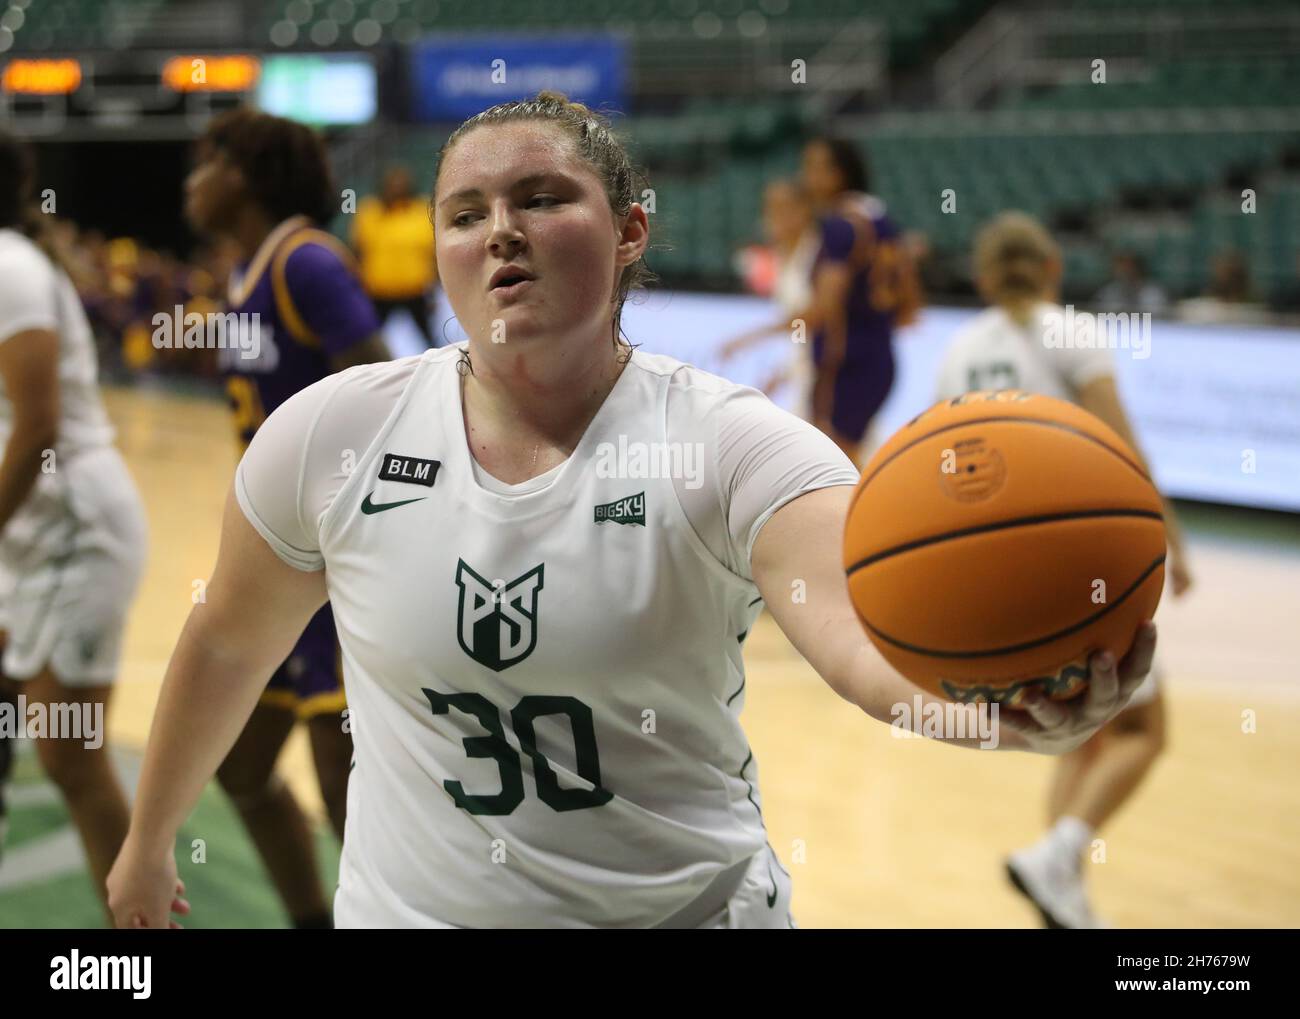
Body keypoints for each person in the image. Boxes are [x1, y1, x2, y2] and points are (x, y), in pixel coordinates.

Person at [109, 92, 1158, 930]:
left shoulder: (731, 442)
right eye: (465, 214)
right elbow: (224, 640)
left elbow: (856, 644)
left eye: (540, 199)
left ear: (629, 232)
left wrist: (985, 710)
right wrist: (149, 837)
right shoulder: (334, 432)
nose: (500, 233)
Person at [936, 211, 1193, 929]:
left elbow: (939, 467)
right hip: (1081, 564)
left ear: (985, 277)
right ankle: (1060, 856)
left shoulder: (960, 348)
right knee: (1143, 730)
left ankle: (1060, 887)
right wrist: (1170, 539)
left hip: (994, 571)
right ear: (1052, 268)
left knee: (1076, 731)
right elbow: (1120, 444)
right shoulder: (1071, 331)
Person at [182, 107, 389, 928]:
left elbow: (380, 396)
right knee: (236, 766)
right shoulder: (242, 272)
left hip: (335, 567)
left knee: (348, 793)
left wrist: (353, 543)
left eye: (207, 161)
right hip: (276, 566)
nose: (191, 181)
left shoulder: (307, 264)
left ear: (247, 174)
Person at [0, 131, 148, 920]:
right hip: (24, 537)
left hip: (73, 532)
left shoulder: (11, 266)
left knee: (72, 760)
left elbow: (37, 427)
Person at [799, 136, 921, 468]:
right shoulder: (880, 217)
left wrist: (757, 334)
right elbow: (911, 307)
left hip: (844, 364)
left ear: (840, 174)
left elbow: (825, 306)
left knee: (827, 470)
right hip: (879, 356)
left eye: (814, 167)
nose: (805, 175)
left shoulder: (840, 225)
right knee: (849, 463)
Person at [719, 179, 820, 416]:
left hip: (835, 370)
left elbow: (811, 318)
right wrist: (783, 374)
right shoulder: (784, 257)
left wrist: (749, 338)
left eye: (784, 208)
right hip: (810, 369)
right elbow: (803, 336)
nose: (774, 216)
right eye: (770, 208)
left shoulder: (819, 255)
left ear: (805, 210)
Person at [352, 164, 440, 348]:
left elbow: (433, 254)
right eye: (393, 183)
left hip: (415, 291)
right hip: (379, 293)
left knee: (430, 342)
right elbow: (358, 252)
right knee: (368, 343)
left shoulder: (421, 210)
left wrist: (434, 292)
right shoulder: (369, 211)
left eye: (401, 183)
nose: (397, 187)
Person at [1092, 251, 1168, 316]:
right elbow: (1099, 314)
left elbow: (1161, 317)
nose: (1123, 272)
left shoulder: (1154, 292)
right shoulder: (1109, 292)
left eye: (1127, 267)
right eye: (1120, 268)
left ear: (1137, 269)